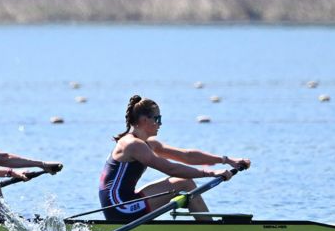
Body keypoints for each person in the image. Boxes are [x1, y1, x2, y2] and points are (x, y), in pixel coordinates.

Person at [99, 95, 251, 222]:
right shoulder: (132, 144)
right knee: (184, 183)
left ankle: (206, 225)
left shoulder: (146, 143)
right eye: (157, 119)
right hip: (119, 208)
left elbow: (186, 155)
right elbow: (170, 169)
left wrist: (227, 160)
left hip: (126, 200)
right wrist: (211, 173)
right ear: (145, 120)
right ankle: (210, 230)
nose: (160, 123)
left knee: (184, 183)